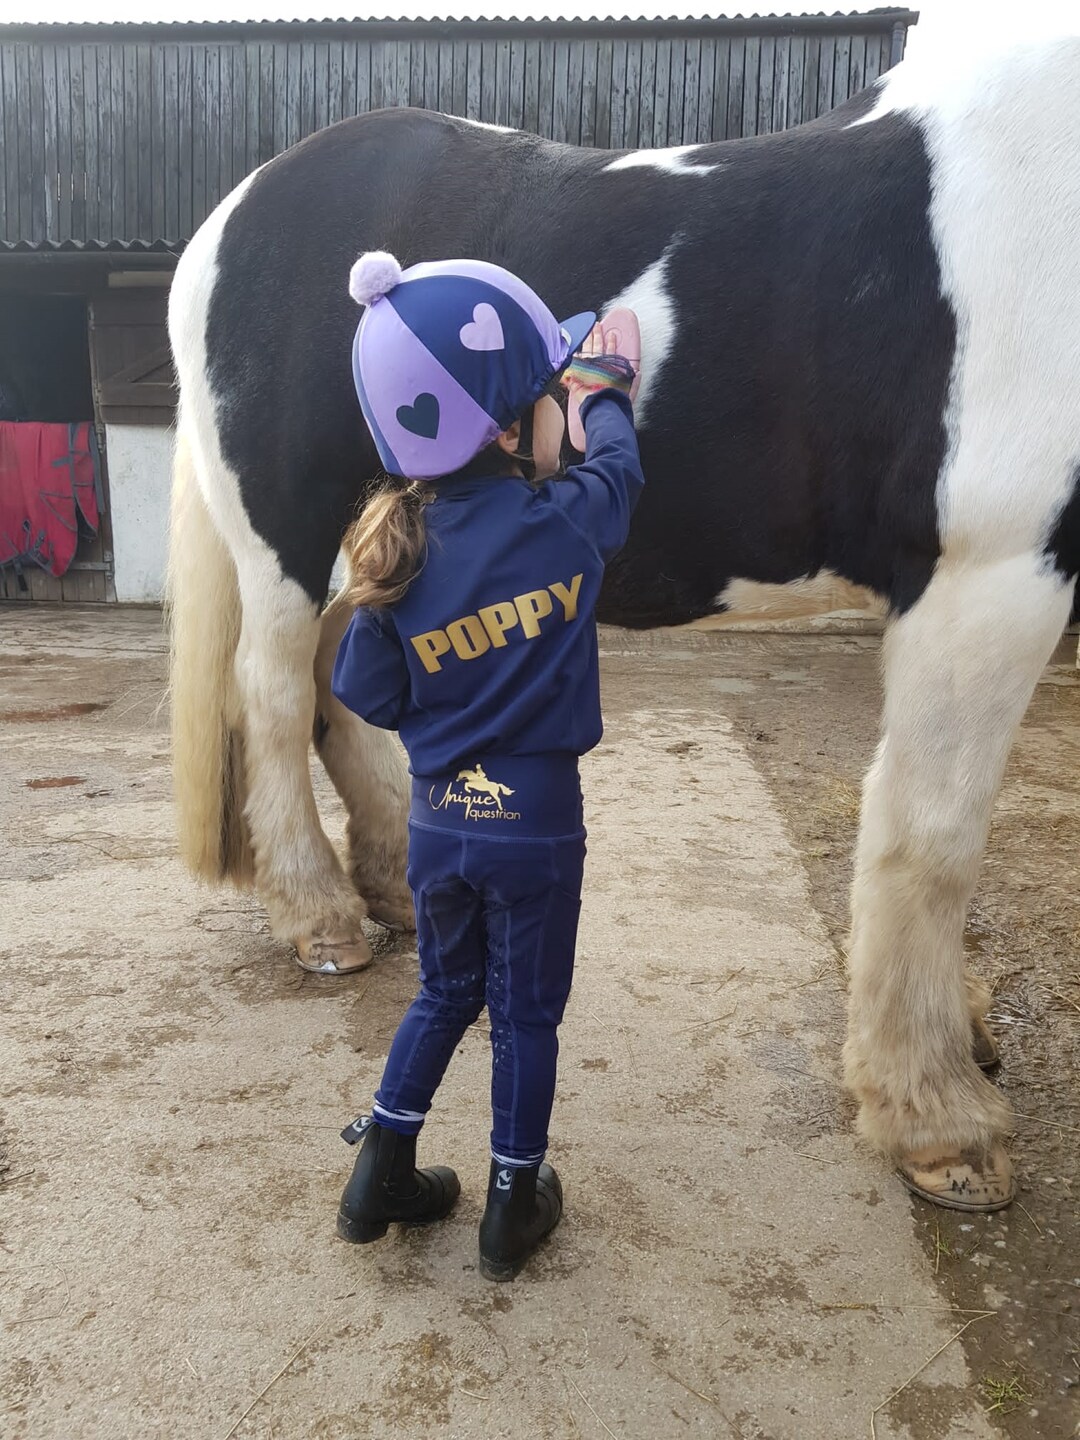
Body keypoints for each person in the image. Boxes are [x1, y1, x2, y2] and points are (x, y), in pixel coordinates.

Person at [332, 249, 644, 1280]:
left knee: (444, 990)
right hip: (537, 824)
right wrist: (605, 392)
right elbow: (617, 473)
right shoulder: (566, 522)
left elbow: (367, 692)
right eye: (551, 393)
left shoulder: (400, 552)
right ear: (512, 427)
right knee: (526, 1012)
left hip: (438, 824)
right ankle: (515, 1198)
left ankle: (384, 1159)